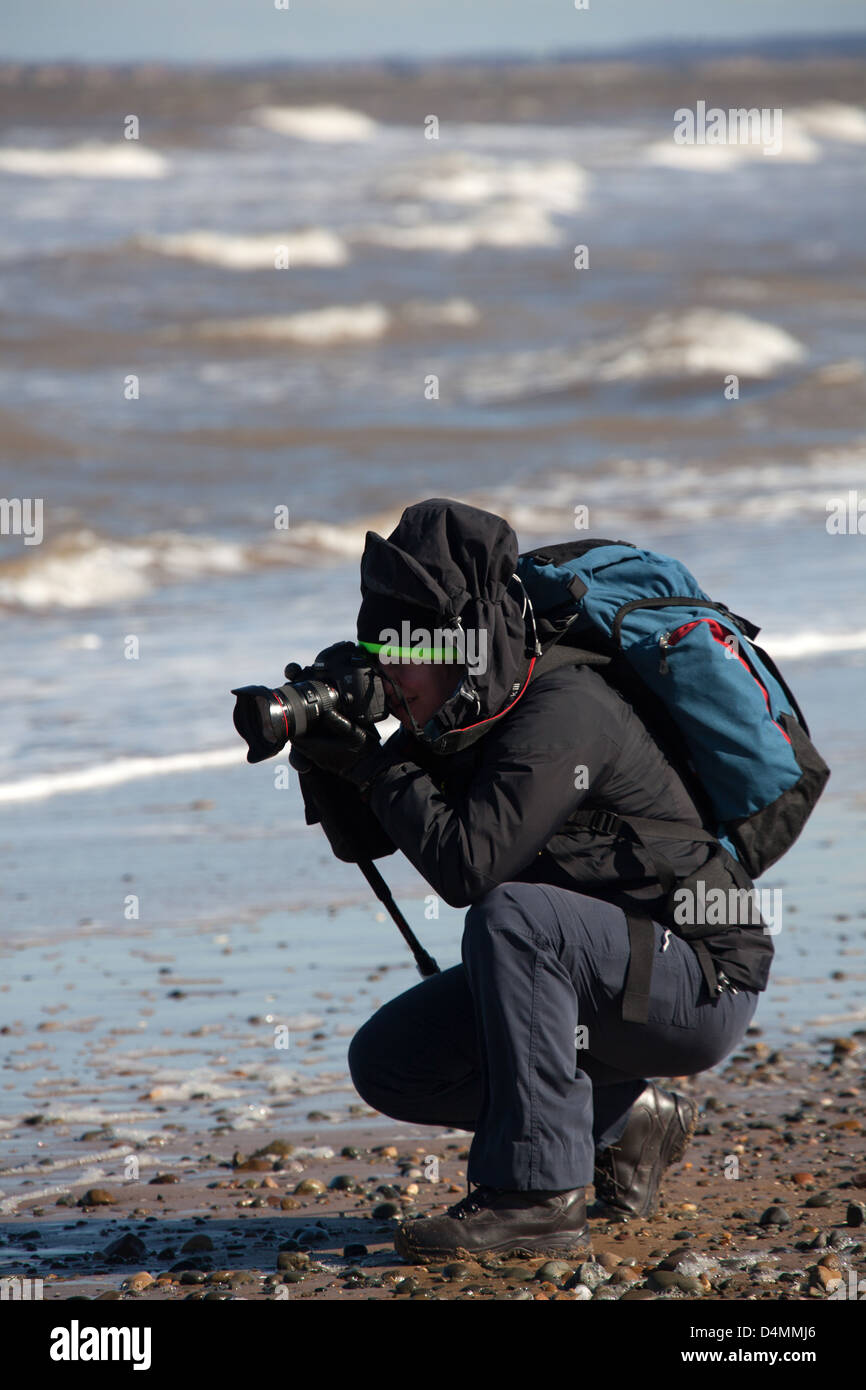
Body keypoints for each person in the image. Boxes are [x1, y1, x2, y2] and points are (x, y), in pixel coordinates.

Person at [288, 497, 772, 1264]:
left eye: (402, 651)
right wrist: (334, 755)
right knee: (391, 1060)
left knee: (511, 916)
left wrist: (381, 763)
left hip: (699, 974)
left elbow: (467, 866)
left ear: (460, 644)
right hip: (602, 974)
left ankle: (537, 1197)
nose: (389, 671)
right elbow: (381, 839)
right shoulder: (465, 709)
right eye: (376, 649)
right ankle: (627, 1119)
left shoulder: (563, 709)